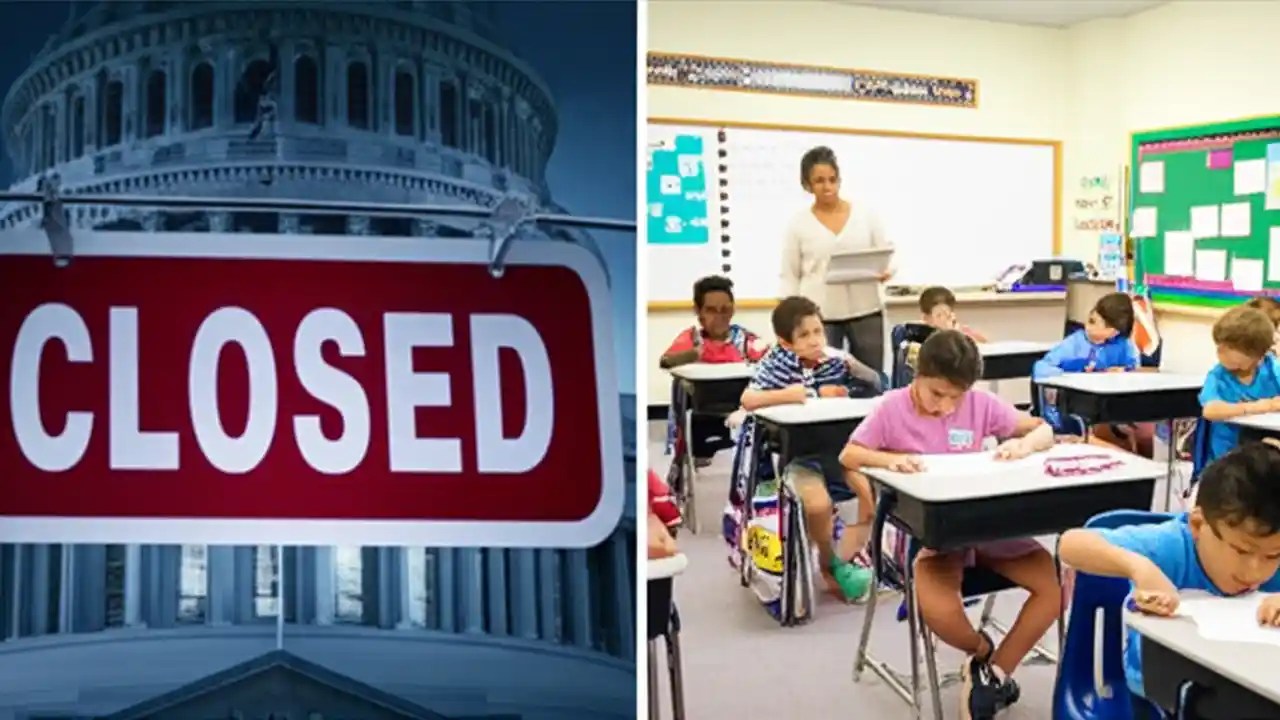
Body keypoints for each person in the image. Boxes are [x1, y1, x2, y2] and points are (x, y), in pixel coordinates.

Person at [841, 330, 1058, 720]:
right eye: (937, 394)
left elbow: (1042, 428)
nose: (946, 406)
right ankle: (982, 653)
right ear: (917, 374)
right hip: (929, 538)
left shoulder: (979, 404)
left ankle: (994, 674)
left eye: (956, 397)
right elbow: (850, 455)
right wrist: (890, 460)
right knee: (941, 615)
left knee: (1054, 587)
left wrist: (1022, 445)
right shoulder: (891, 407)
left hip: (980, 525)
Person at [1057, 441, 1280, 718]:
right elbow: (1071, 544)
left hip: (1253, 684)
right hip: (1163, 694)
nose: (1255, 571)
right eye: (1242, 551)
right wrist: (1140, 568)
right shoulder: (1171, 545)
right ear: (1198, 525)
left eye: (1273, 556)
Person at [737, 295, 875, 602]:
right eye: (804, 335)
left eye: (818, 331)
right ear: (785, 342)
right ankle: (828, 562)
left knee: (874, 496)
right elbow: (748, 399)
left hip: (842, 452)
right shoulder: (777, 363)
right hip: (799, 456)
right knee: (817, 505)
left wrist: (853, 377)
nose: (815, 340)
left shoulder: (835, 361)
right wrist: (800, 394)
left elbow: (876, 387)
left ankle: (851, 556)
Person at [781, 145, 894, 376]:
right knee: (823, 378)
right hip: (820, 316)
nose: (827, 187)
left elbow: (887, 254)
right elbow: (790, 274)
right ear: (807, 184)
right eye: (819, 181)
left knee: (871, 378)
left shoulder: (865, 215)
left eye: (832, 180)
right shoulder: (798, 224)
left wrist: (887, 272)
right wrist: (789, 322)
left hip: (866, 309)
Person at [660, 275, 768, 466]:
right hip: (703, 409)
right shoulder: (692, 339)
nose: (720, 317)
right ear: (698, 311)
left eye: (725, 310)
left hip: (741, 407)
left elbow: (769, 360)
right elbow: (666, 361)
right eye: (711, 310)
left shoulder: (744, 340)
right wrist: (693, 354)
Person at [1033, 292, 1153, 456]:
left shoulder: (1123, 346)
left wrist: (1124, 371)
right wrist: (1069, 377)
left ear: (1113, 332)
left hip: (1110, 409)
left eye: (1096, 323)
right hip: (1073, 410)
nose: (1089, 326)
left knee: (1142, 432)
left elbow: (1135, 370)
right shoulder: (1074, 344)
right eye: (1091, 320)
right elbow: (1041, 368)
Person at [1199, 305, 1280, 462]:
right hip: (1228, 457)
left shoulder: (1272, 369)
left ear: (1256, 355)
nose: (1220, 352)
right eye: (1218, 346)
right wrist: (1260, 406)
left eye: (1228, 348)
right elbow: (1210, 410)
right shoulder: (1218, 376)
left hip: (1268, 455)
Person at [919, 286, 989, 342]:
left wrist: (956, 335)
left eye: (948, 315)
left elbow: (983, 344)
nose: (945, 319)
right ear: (926, 318)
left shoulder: (961, 331)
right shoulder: (924, 337)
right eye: (939, 315)